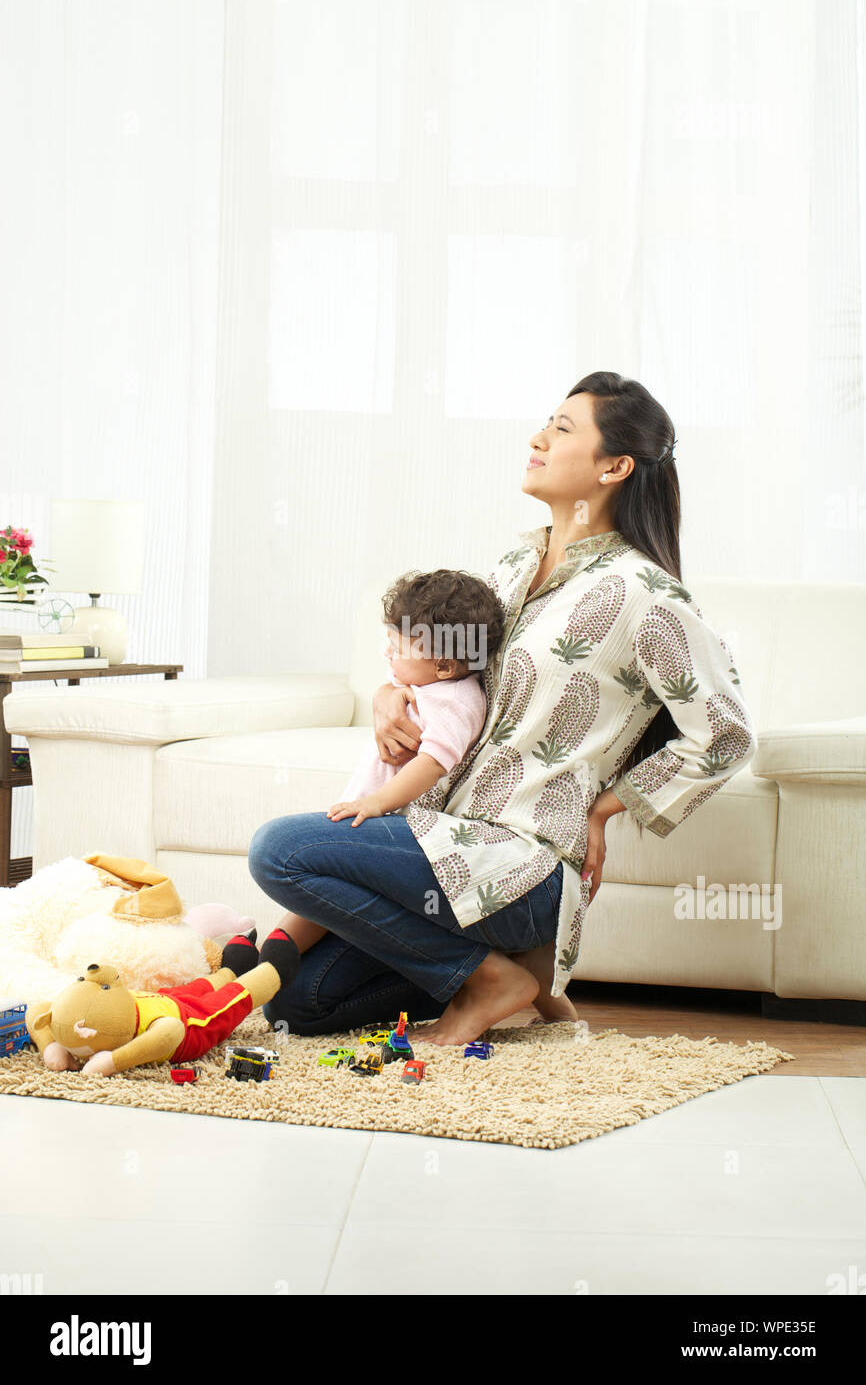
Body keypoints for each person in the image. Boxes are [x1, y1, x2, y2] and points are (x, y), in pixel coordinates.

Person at [247, 370, 758, 1046]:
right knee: (299, 1004)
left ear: (615, 466)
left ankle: (495, 980)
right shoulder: (514, 564)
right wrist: (387, 694)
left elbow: (724, 733)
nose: (538, 438)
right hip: (440, 845)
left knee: (280, 851)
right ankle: (497, 971)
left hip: (522, 864)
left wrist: (610, 805)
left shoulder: (647, 595)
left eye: (562, 428)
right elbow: (446, 667)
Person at [264, 568, 506, 959]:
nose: (386, 654)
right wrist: (388, 689)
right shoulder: (431, 683)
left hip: (390, 823)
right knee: (318, 900)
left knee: (312, 882)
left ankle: (268, 961)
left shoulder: (458, 702)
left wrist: (379, 802)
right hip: (372, 814)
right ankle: (268, 957)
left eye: (398, 648)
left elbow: (432, 762)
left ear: (444, 665)